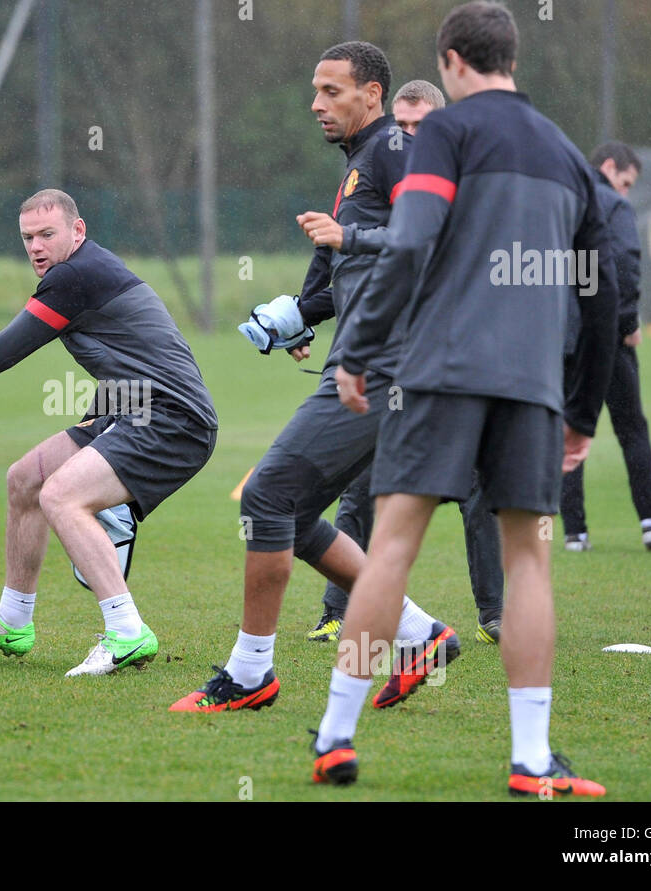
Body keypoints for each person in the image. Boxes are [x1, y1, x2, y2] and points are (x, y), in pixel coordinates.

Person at [309, 1, 617, 797]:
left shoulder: (442, 132)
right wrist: (582, 410)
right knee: (529, 561)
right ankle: (531, 759)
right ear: (512, 57)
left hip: (439, 371)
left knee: (394, 545)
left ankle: (337, 736)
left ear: (450, 61)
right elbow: (604, 287)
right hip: (531, 383)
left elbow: (410, 243)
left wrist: (357, 348)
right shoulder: (562, 149)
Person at [169, 42, 460, 715]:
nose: (316, 104)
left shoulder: (391, 150)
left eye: (332, 91)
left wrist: (348, 242)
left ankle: (250, 674)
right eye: (315, 90)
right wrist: (295, 317)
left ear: (373, 96)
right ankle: (420, 635)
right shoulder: (362, 165)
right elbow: (359, 270)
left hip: (385, 367)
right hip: (367, 363)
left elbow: (440, 241)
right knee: (290, 512)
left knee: (266, 498)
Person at [0, 189, 217, 677]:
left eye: (47, 234)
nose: (36, 246)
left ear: (77, 231)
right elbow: (136, 357)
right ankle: (13, 621)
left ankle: (126, 633)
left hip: (170, 419)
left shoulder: (73, 277)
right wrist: (97, 419)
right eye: (27, 238)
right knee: (26, 479)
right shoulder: (84, 271)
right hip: (131, 406)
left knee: (61, 496)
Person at [309, 76, 506, 648]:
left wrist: (351, 239)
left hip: (445, 363)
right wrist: (301, 315)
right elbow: (343, 262)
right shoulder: (379, 172)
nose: (410, 136)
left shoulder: (453, 186)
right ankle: (337, 610)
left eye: (422, 127)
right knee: (359, 488)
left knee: (476, 490)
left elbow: (415, 245)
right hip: (388, 364)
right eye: (404, 126)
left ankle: (492, 613)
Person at [560, 141, 651, 553]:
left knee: (569, 426)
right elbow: (623, 265)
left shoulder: (564, 196)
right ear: (610, 168)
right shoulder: (612, 204)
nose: (625, 191)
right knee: (631, 427)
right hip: (605, 334)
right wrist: (627, 324)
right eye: (625, 182)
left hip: (562, 337)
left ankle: (575, 534)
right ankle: (650, 523)